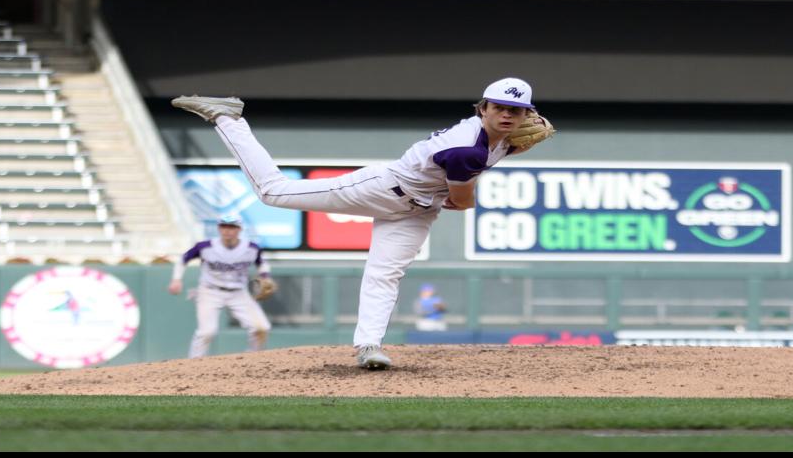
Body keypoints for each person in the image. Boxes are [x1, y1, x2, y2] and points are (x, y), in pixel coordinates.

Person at [169, 78, 553, 369]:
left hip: (417, 210)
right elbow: (463, 199)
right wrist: (461, 199)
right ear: (482, 108)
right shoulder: (466, 148)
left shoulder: (501, 137)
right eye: (499, 107)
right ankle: (227, 117)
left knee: (385, 274)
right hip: (383, 189)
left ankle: (368, 347)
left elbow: (477, 170)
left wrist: (507, 145)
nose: (508, 115)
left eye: (516, 111)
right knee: (273, 192)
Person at [169, 213, 272, 358]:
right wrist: (176, 279)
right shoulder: (205, 246)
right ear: (219, 228)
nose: (227, 230)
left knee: (261, 327)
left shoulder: (251, 248)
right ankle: (193, 365)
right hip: (210, 291)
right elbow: (183, 259)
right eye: (224, 226)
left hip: (238, 292)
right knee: (207, 332)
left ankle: (253, 359)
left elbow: (262, 263)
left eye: (232, 227)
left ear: (239, 229)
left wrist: (266, 277)